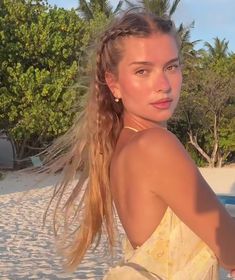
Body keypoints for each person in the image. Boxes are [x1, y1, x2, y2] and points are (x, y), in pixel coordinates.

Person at [43, 9, 235, 279]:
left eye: (171, 66)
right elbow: (230, 250)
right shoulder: (155, 145)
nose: (163, 84)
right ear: (114, 84)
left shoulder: (122, 144)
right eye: (142, 71)